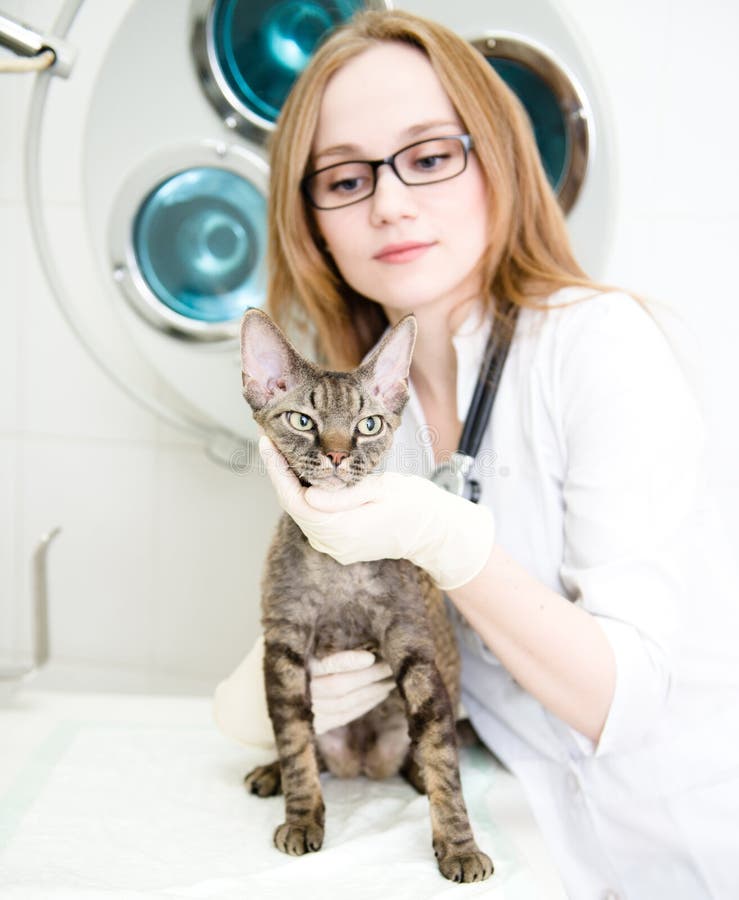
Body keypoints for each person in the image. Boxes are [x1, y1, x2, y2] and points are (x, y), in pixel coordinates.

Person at [214, 10, 739, 899]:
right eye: (344, 178)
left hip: (681, 840)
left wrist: (449, 544)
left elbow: (625, 699)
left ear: (494, 159)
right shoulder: (353, 403)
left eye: (427, 158)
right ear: (311, 222)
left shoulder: (599, 346)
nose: (388, 203)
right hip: (521, 829)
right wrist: (254, 700)